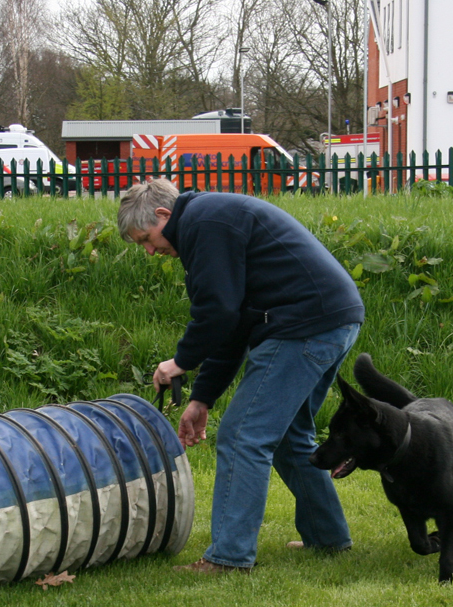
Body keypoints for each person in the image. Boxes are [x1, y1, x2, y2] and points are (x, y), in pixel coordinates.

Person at [117, 179, 365, 574]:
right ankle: (328, 537)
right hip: (330, 318)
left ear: (164, 215)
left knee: (241, 436)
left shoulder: (204, 222)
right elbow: (230, 325)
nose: (149, 251)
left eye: (146, 239)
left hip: (304, 325)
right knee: (287, 434)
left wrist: (179, 362)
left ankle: (229, 558)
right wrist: (201, 399)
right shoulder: (208, 219)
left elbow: (218, 311)